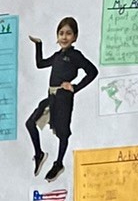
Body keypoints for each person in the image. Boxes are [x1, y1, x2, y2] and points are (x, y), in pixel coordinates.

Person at [26, 19, 98, 182]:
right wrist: (39, 44)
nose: (64, 37)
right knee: (31, 123)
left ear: (75, 37)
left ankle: (59, 163)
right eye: (61, 33)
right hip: (51, 97)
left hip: (64, 98)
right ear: (57, 36)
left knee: (62, 132)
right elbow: (40, 64)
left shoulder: (75, 55)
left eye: (68, 33)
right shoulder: (58, 55)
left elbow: (92, 72)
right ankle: (39, 154)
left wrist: (75, 87)